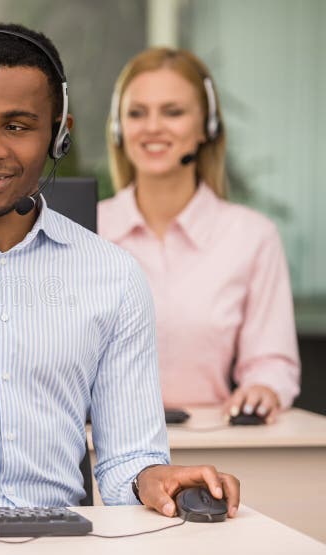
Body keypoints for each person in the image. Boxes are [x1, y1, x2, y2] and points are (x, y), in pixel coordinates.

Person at [0, 23, 240, 518]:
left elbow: (130, 458)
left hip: (61, 542)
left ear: (59, 135)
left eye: (17, 126)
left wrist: (153, 477)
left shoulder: (114, 276)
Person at [99, 47, 300, 423]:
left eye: (172, 112)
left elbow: (271, 362)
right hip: (100, 448)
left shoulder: (252, 236)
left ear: (206, 127)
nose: (153, 127)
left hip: (216, 446)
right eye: (137, 113)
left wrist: (264, 388)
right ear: (118, 128)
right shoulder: (86, 230)